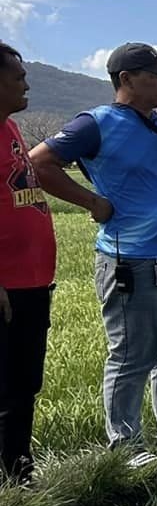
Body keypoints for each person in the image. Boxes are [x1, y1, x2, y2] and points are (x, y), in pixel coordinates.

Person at [31, 43, 157, 453]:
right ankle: (127, 446)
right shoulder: (94, 124)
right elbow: (38, 163)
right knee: (133, 354)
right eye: (156, 76)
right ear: (126, 80)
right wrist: (93, 202)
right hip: (129, 259)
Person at [0, 43, 58, 481]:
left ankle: (20, 476)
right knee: (5, 389)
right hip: (6, 286)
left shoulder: (11, 129)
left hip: (33, 282)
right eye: (18, 76)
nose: (26, 82)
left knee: (23, 385)